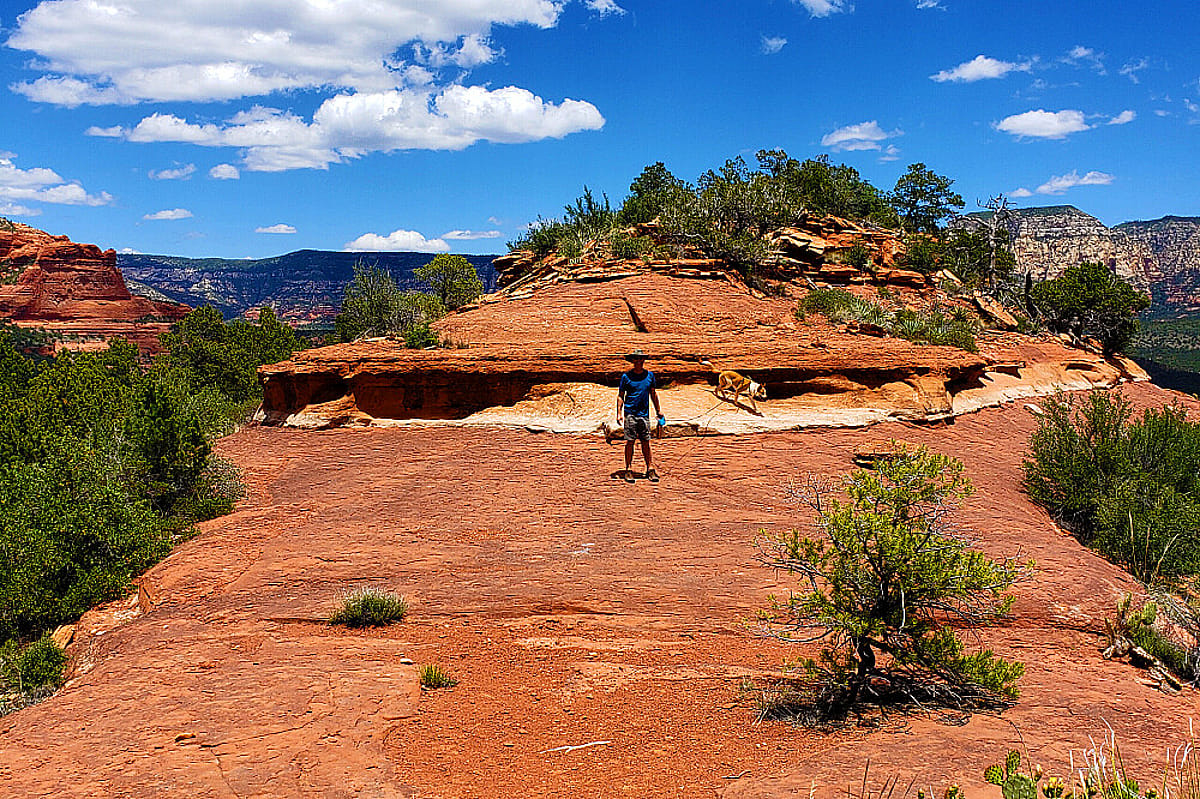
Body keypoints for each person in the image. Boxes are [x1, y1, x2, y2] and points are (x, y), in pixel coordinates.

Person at [616, 349, 663, 483]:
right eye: (636, 359)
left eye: (641, 359)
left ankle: (650, 468)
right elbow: (621, 396)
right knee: (630, 441)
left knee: (645, 441)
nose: (639, 361)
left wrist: (658, 410)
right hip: (630, 413)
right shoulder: (626, 377)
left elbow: (653, 394)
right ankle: (628, 469)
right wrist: (619, 413)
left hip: (644, 415)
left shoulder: (649, 376)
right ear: (632, 361)